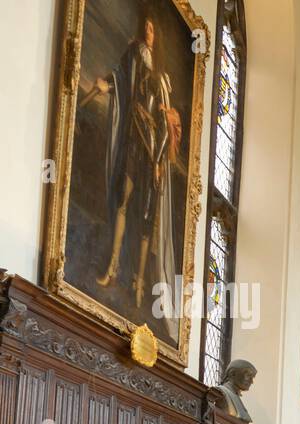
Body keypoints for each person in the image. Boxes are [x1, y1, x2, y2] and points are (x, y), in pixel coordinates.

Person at [93, 11, 182, 310]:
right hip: (133, 138)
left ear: (159, 38)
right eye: (145, 26)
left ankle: (140, 281)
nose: (147, 31)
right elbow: (119, 74)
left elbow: (165, 126)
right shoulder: (133, 52)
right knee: (123, 199)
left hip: (151, 148)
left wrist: (158, 162)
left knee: (146, 216)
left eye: (153, 29)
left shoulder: (162, 79)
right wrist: (106, 84)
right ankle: (114, 267)